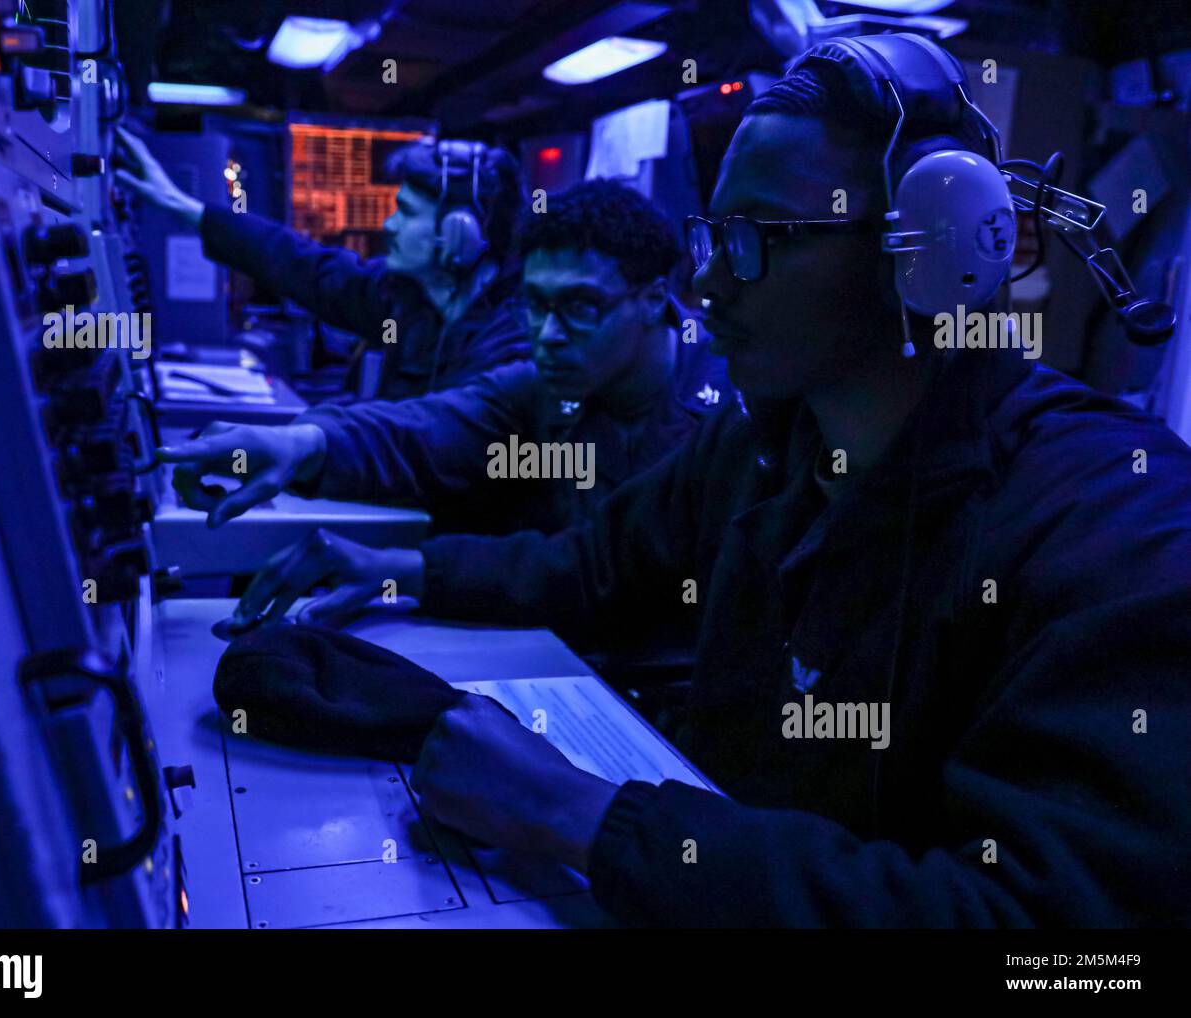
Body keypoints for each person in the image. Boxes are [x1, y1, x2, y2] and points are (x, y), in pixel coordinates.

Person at [260, 39, 1191, 926]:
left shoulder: (1118, 531)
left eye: (754, 239)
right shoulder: (764, 440)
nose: (706, 287)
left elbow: (1065, 944)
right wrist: (397, 571)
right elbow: (591, 568)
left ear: (929, 254)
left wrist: (581, 817)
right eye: (712, 235)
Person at [160, 182, 730, 652]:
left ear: (654, 299)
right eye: (535, 305)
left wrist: (409, 568)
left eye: (581, 307)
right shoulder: (544, 385)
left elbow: (597, 572)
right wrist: (304, 444)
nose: (548, 336)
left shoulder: (732, 410)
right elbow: (428, 429)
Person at [115, 130, 529, 399]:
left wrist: (313, 439)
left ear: (459, 234)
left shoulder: (511, 345)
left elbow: (434, 438)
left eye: (405, 212)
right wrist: (180, 204)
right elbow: (303, 264)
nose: (389, 225)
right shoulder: (404, 298)